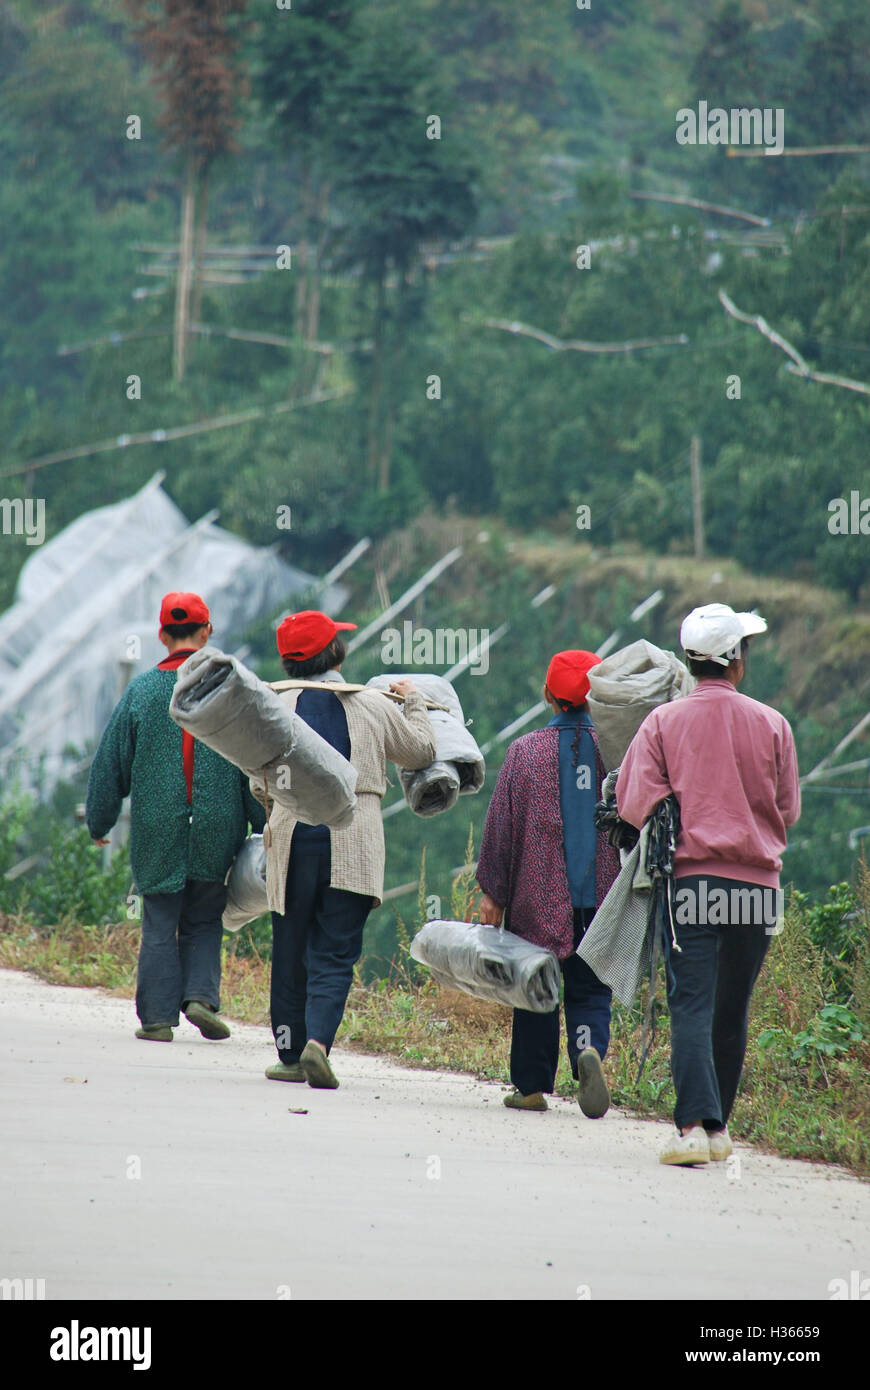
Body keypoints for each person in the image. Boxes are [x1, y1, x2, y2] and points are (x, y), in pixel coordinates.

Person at [616, 603, 801, 1166]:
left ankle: (694, 1127)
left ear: (692, 664)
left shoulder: (662, 722)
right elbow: (787, 810)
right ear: (737, 663)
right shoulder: (773, 723)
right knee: (732, 1008)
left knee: (691, 1005)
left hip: (693, 885)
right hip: (758, 888)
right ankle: (719, 1129)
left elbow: (632, 804)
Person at [258, 609, 436, 1089]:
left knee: (290, 948)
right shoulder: (372, 705)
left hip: (292, 837)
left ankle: (291, 1055)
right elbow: (421, 751)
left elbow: (257, 777)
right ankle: (319, 1043)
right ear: (334, 651)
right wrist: (415, 701)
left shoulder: (273, 706)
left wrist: (273, 798)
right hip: (353, 837)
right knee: (335, 952)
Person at [86, 592, 266, 1043]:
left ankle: (158, 1019)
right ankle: (201, 998)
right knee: (206, 916)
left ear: (162, 635)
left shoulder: (142, 691)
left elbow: (111, 763)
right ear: (207, 632)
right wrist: (263, 825)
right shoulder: (232, 691)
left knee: (161, 918)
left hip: (157, 824)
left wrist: (99, 821)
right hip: (217, 822)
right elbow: (251, 765)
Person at [476, 649, 620, 1116]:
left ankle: (533, 1087)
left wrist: (493, 893)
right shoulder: (616, 751)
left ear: (548, 696)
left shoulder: (524, 752)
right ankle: (587, 1051)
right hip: (601, 895)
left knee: (537, 986)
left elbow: (501, 827)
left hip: (539, 898)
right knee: (591, 986)